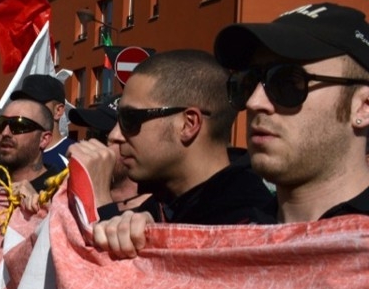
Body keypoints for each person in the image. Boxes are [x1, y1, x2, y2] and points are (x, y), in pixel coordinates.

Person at [91, 50, 276, 258]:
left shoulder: (247, 230)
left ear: (188, 124)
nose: (117, 134)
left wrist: (99, 197)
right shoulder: (166, 203)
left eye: (130, 118)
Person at [214, 2, 369, 222]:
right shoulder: (227, 233)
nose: (254, 102)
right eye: (248, 81)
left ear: (364, 106)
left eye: (287, 82)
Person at [66, 95, 156, 218]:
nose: (87, 145)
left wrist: (101, 199)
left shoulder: (154, 213)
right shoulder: (76, 203)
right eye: (88, 134)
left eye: (99, 136)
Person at [0, 95, 57, 212]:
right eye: (2, 123)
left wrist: (41, 209)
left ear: (44, 139)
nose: (5, 133)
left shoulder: (60, 191)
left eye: (19, 125)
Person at [9, 74, 76, 174]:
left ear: (58, 111)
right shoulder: (15, 153)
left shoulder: (75, 154)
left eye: (36, 104)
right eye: (24, 102)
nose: (27, 109)